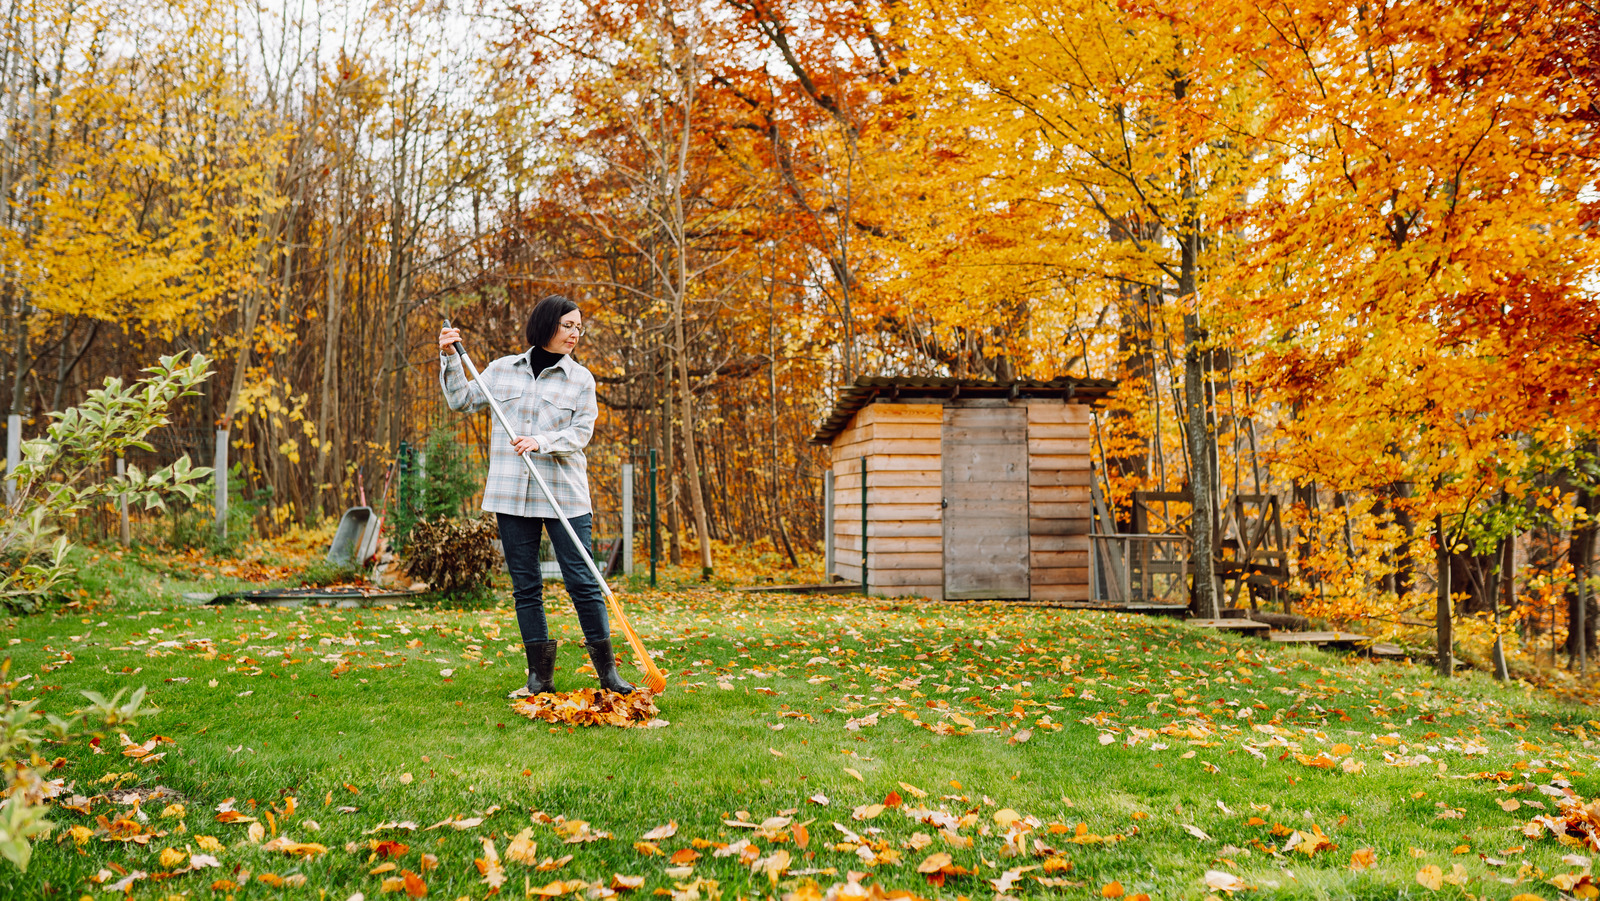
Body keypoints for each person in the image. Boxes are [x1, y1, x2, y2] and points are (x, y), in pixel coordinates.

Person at [437, 295, 634, 696]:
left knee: (583, 581)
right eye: (568, 326)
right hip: (511, 495)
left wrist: (541, 441)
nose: (576, 333)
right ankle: (539, 678)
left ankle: (609, 676)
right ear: (546, 325)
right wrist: (451, 359)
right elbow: (461, 400)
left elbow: (581, 434)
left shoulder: (581, 380)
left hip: (565, 496)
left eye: (580, 327)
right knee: (526, 587)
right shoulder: (501, 370)